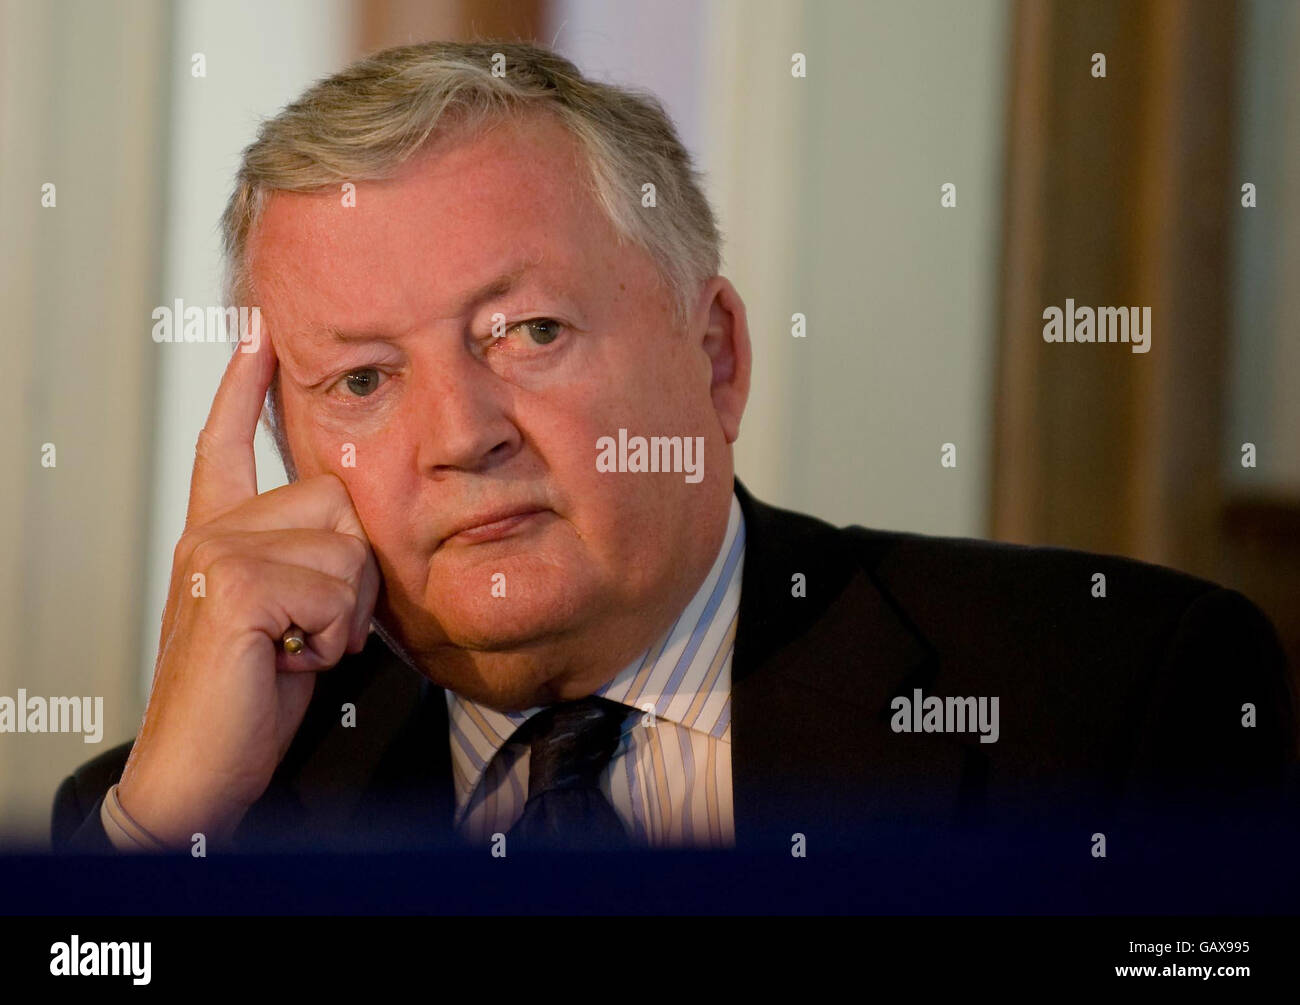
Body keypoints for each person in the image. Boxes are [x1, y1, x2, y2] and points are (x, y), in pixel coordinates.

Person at [52, 40, 1295, 856]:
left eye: (527, 330)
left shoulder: (1115, 697)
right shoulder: (184, 816)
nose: (461, 436)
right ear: (283, 450)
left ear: (714, 358)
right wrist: (161, 844)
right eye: (362, 380)